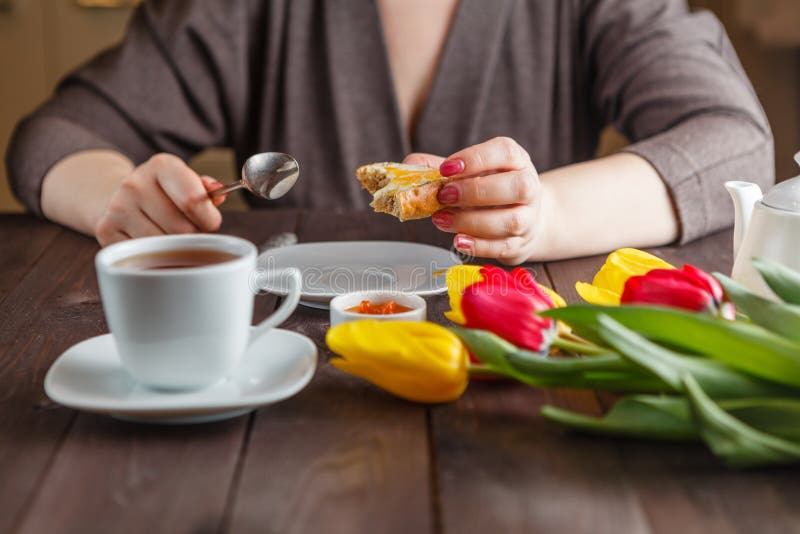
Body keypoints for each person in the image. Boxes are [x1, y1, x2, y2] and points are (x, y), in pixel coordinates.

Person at [6, 0, 773, 264]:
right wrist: (120, 197)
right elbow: (53, 136)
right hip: (294, 374)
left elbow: (734, 142)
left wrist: (546, 216)